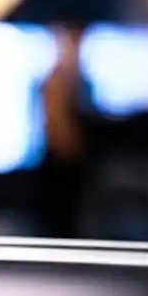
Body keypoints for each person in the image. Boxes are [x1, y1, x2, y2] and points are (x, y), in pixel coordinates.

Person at [36, 23, 87, 238]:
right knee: (61, 227)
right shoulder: (57, 80)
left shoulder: (75, 79)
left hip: (67, 165)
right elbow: (61, 134)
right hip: (61, 165)